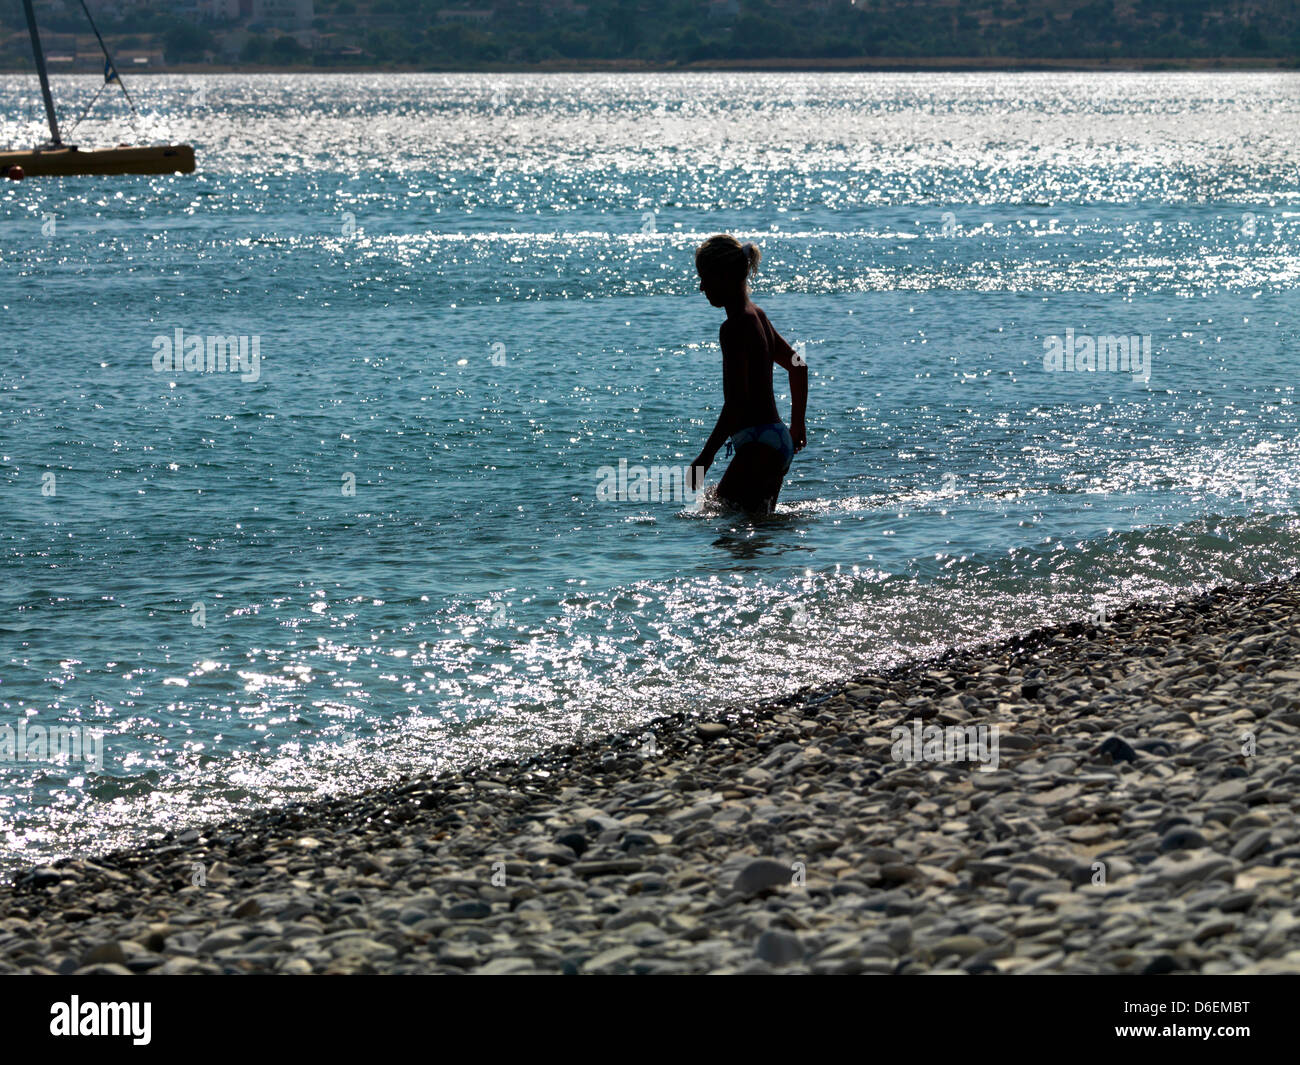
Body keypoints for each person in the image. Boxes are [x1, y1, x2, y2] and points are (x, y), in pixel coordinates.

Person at [690, 235, 807, 515]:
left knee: (724, 529)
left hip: (757, 446)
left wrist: (705, 458)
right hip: (777, 441)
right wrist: (797, 426)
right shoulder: (758, 316)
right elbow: (798, 366)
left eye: (706, 278)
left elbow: (736, 404)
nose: (702, 286)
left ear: (727, 276)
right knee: (756, 532)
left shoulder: (734, 328)